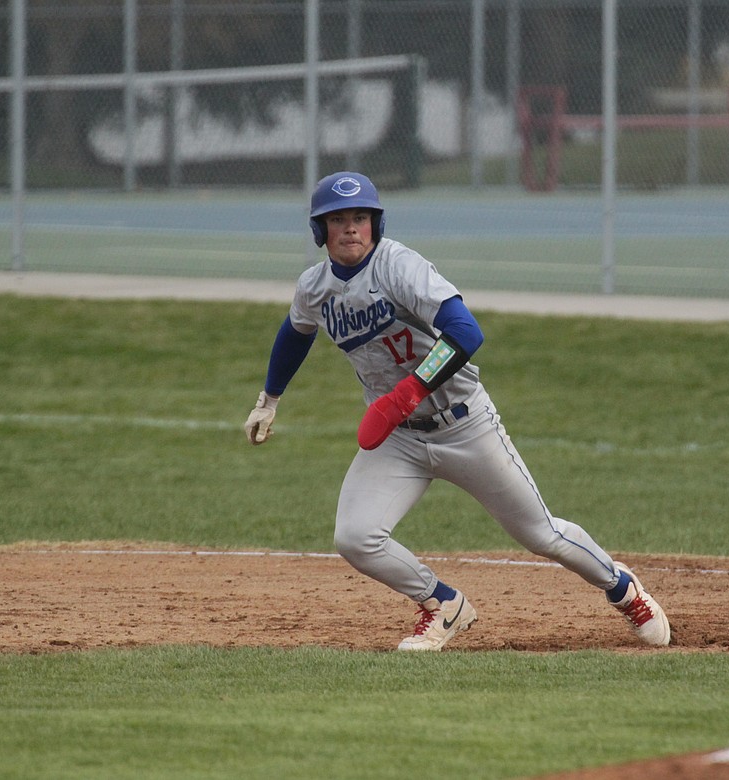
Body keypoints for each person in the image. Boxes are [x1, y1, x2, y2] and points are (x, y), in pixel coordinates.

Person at [243, 171, 670, 652]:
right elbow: (295, 332)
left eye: (360, 217)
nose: (350, 228)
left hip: (464, 425)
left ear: (376, 223)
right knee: (356, 537)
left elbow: (466, 333)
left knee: (541, 534)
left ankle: (622, 589)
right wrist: (269, 398)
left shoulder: (398, 266)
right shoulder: (314, 286)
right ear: (320, 230)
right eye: (337, 219)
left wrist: (408, 391)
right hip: (400, 438)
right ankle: (442, 605)